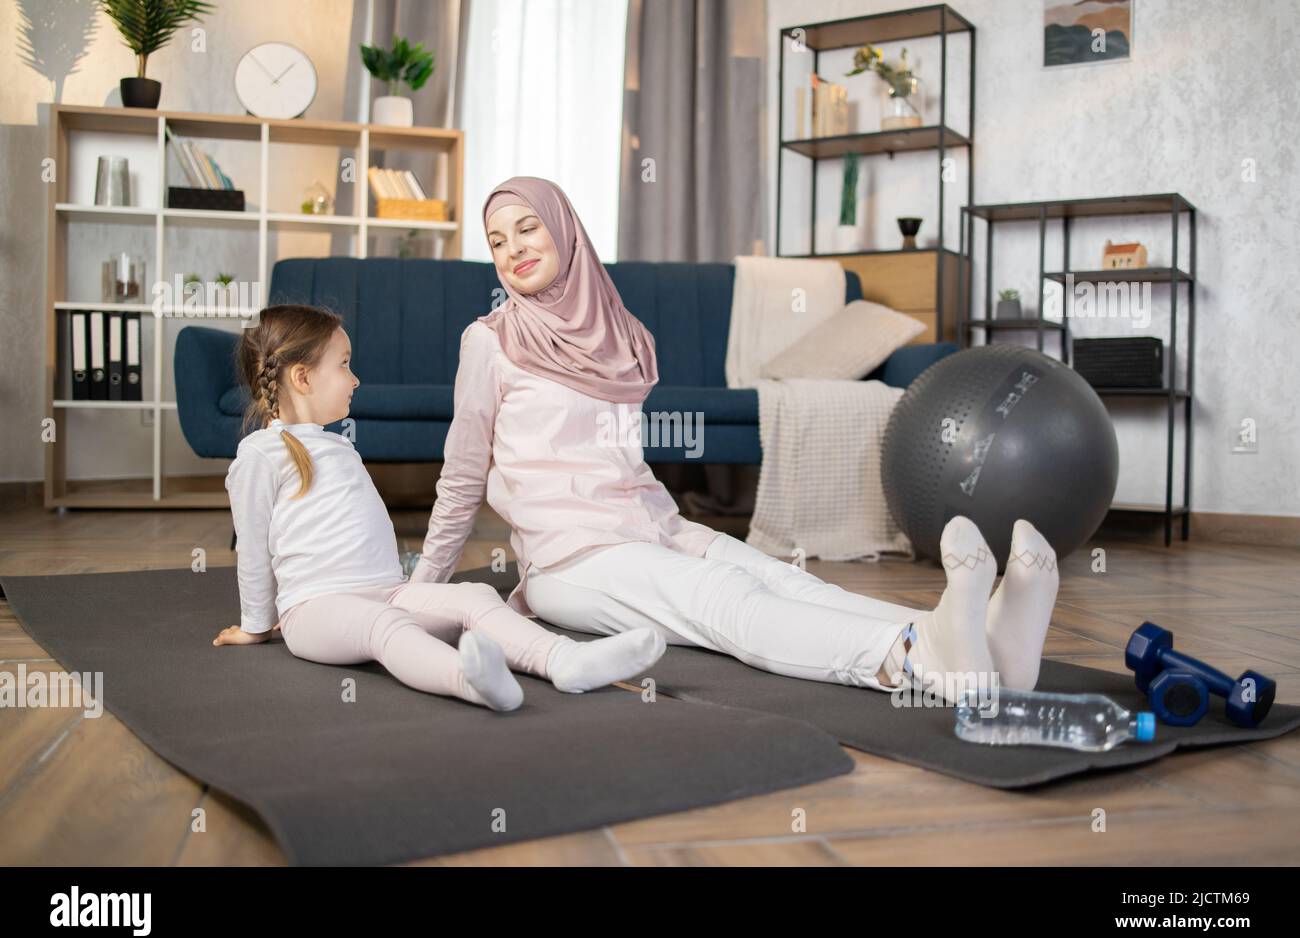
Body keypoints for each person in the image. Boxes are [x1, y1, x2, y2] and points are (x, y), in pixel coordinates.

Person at [410, 176, 1060, 704]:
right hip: (570, 560)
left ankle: (995, 653)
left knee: (794, 584)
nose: (514, 248)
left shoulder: (621, 334)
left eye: (528, 228)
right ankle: (918, 657)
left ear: (565, 230)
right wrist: (425, 591)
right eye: (497, 240)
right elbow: (463, 477)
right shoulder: (489, 342)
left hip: (653, 525)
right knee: (728, 600)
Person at [214, 303, 666, 711]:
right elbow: (253, 548)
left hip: (388, 588)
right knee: (384, 624)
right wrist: (256, 624)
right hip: (315, 610)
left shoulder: (337, 446)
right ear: (302, 377)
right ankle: (469, 680)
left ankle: (565, 660)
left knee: (475, 596)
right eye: (345, 365)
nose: (355, 379)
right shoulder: (260, 454)